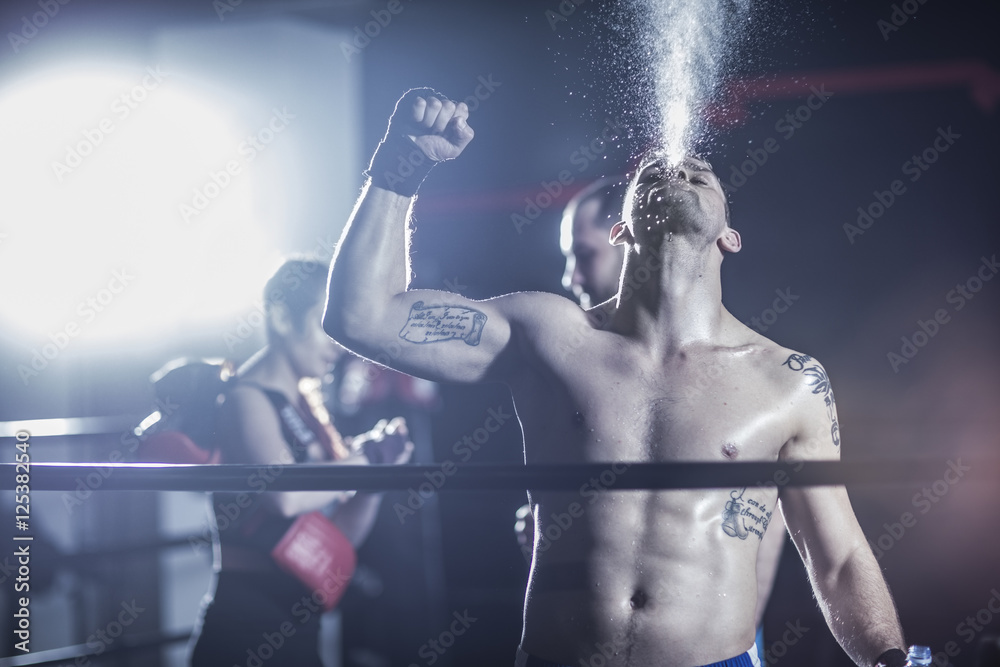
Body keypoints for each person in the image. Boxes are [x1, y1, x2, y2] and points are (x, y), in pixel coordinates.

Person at [324, 90, 907, 667]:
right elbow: (362, 318)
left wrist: (890, 662)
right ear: (622, 230)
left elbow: (839, 560)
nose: (677, 169)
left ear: (730, 237)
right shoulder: (549, 334)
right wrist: (402, 163)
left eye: (702, 173)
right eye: (650, 172)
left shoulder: (788, 381)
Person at [556, 176, 787, 664]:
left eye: (582, 253)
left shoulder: (761, 374)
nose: (570, 276)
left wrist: (737, 639)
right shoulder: (562, 347)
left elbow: (765, 520)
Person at [190, 257, 413, 667]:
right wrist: (368, 460)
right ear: (281, 317)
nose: (337, 342)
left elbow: (339, 537)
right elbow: (285, 496)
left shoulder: (308, 411)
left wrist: (376, 478)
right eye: (323, 323)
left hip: (298, 620)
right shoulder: (247, 399)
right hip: (245, 620)